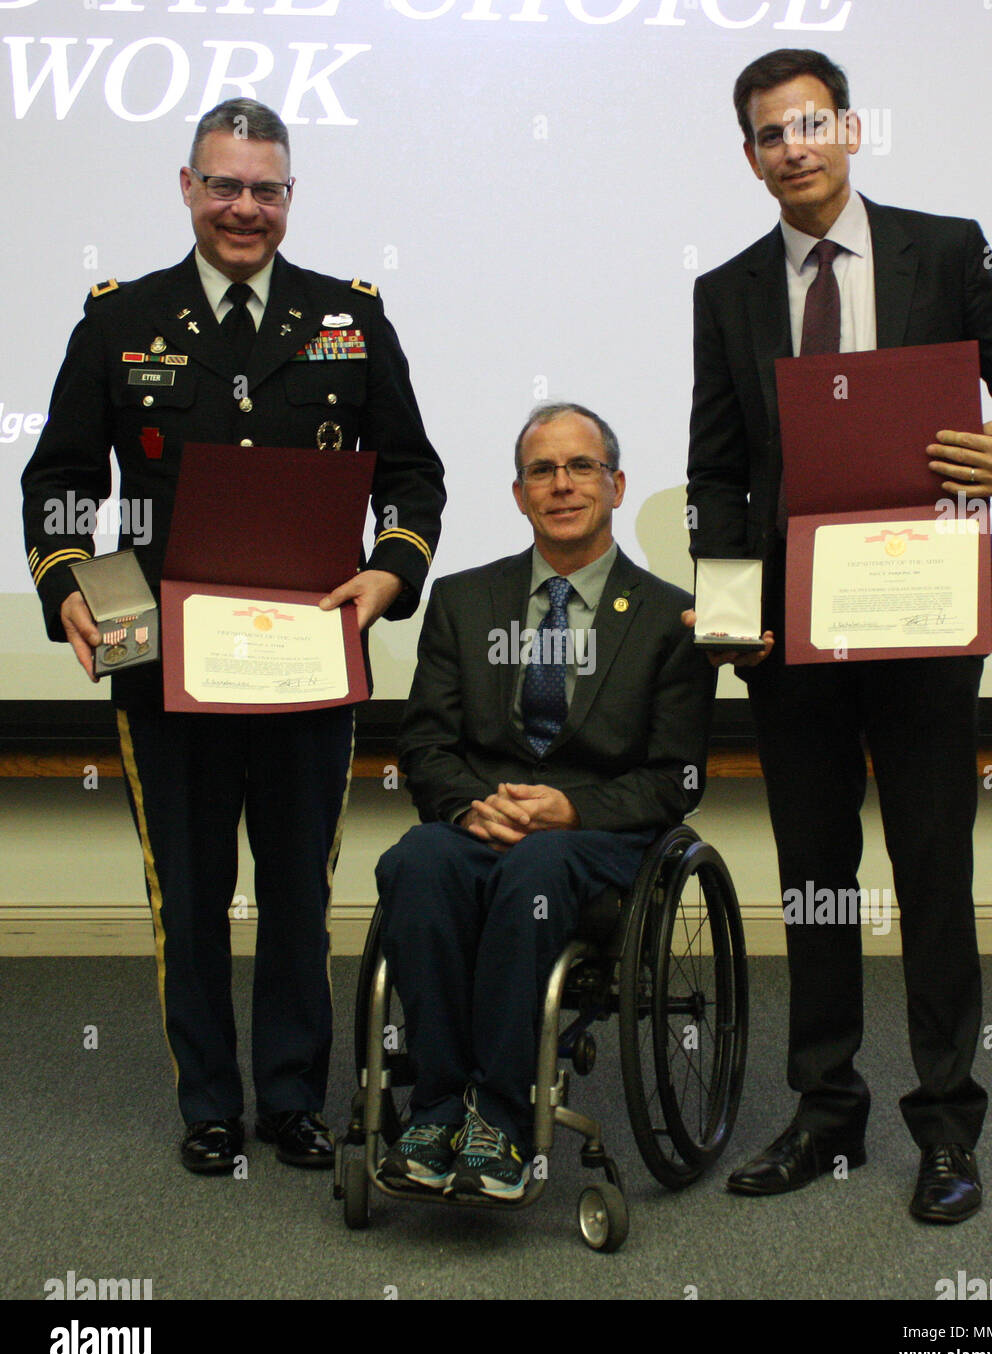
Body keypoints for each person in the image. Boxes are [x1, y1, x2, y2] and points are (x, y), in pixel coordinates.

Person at [21, 99, 445, 1175]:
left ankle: (295, 1098)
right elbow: (63, 483)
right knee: (191, 888)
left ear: (289, 199)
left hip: (309, 659)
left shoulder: (349, 317)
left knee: (300, 886)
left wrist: (391, 569)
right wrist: (71, 582)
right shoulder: (121, 320)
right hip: (163, 665)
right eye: (225, 185)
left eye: (266, 189)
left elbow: (412, 474)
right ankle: (210, 1102)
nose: (244, 208)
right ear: (187, 187)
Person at [686, 50, 992, 1222]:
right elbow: (716, 470)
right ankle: (825, 1110)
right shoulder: (729, 288)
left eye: (809, 124)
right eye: (767, 134)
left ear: (848, 128)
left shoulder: (942, 249)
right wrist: (727, 606)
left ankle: (947, 1124)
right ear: (748, 156)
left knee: (931, 875)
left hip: (925, 620)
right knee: (814, 880)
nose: (791, 148)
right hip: (794, 640)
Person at [374, 402, 716, 1200]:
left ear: (617, 484)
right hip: (482, 823)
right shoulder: (462, 601)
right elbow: (425, 746)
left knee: (537, 867)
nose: (562, 485)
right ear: (520, 495)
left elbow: (678, 779)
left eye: (581, 467)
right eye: (542, 471)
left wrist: (571, 812)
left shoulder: (671, 618)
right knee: (417, 858)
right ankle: (433, 1109)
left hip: (597, 841)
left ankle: (496, 1111)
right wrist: (467, 809)